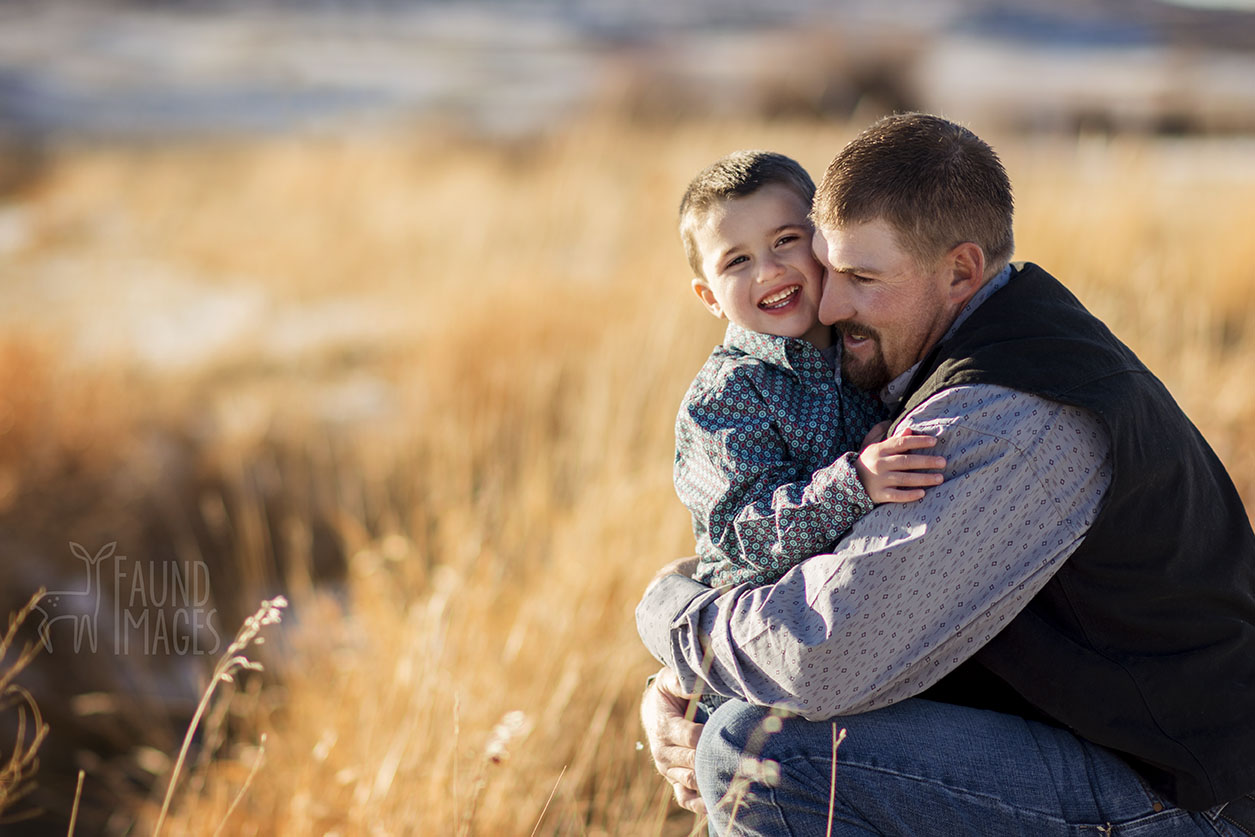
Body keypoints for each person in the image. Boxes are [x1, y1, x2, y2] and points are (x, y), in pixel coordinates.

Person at [637, 113, 1255, 835]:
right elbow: (810, 558)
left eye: (860, 277)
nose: (828, 304)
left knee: (754, 750)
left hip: (1185, 798)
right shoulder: (974, 342)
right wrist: (678, 668)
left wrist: (669, 617)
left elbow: (818, 658)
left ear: (960, 270)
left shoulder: (1002, 418)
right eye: (830, 268)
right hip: (1115, 746)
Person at [673, 150, 945, 591]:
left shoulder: (866, 341)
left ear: (824, 242)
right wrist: (856, 482)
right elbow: (747, 533)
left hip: (866, 583)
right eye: (737, 261)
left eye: (785, 240)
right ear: (710, 298)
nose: (768, 271)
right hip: (766, 610)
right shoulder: (727, 395)